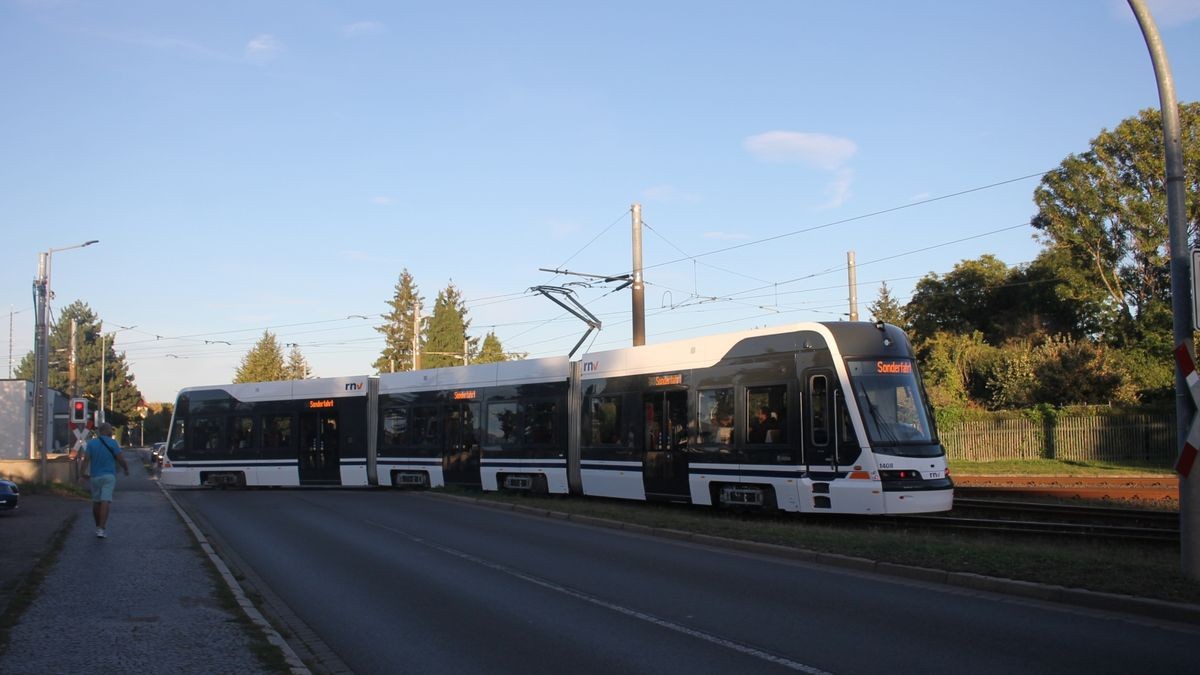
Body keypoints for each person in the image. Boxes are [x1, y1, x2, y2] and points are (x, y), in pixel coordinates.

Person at [80, 422, 130, 539]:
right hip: (109, 476)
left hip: (95, 476)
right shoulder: (113, 443)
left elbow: (86, 460)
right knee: (105, 501)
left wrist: (82, 474)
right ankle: (101, 529)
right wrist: (126, 469)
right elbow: (120, 459)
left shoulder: (91, 444)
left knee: (96, 502)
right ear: (108, 431)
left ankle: (98, 526)